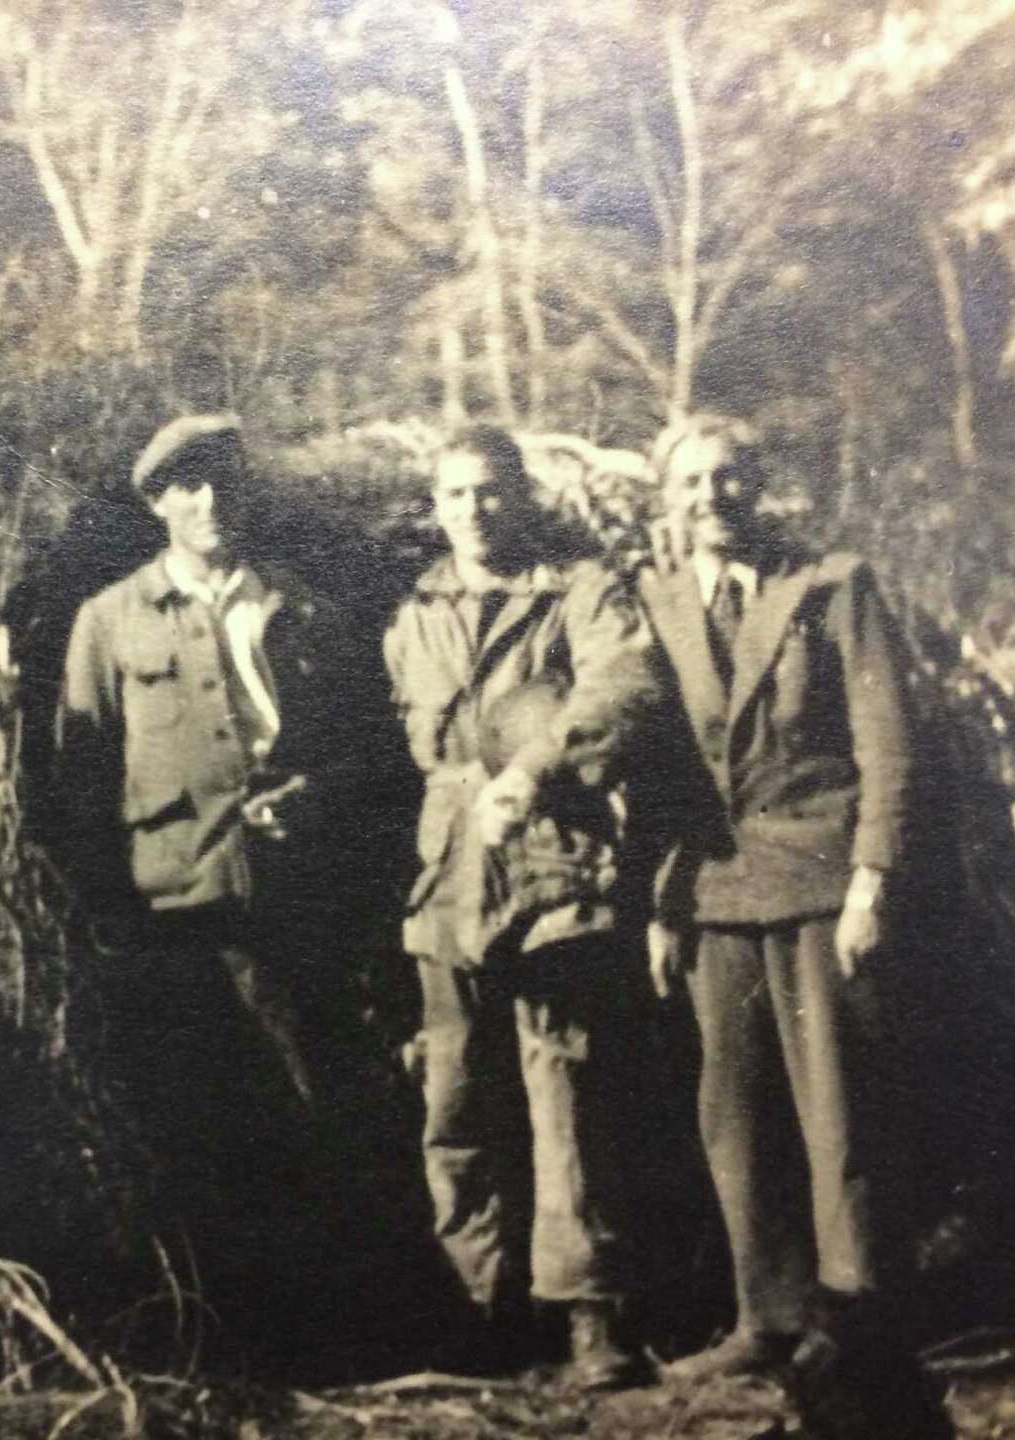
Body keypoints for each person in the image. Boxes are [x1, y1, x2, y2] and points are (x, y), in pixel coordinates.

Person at [638, 414, 926, 1403]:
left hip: (817, 873)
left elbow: (886, 745)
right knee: (734, 1110)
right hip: (716, 884)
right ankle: (765, 1315)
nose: (710, 497)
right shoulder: (659, 601)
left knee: (834, 1108)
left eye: (727, 478)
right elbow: (661, 770)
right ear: (665, 499)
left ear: (755, 487)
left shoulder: (830, 588)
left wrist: (871, 881)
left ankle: (855, 1314)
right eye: (690, 483)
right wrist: (663, 904)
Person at [54, 413, 351, 1363]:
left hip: (291, 896)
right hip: (173, 910)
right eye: (188, 486)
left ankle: (327, 1328)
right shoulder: (109, 621)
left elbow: (359, 749)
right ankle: (224, 1334)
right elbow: (80, 777)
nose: (210, 501)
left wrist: (318, 795)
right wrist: (105, 914)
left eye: (223, 480)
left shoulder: (294, 607)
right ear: (158, 504)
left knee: (309, 1102)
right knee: (199, 1116)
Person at [383, 425, 658, 1388]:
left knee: (564, 1086)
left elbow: (624, 683)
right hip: (450, 870)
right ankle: (485, 1311)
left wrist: (537, 769)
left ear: (520, 494)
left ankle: (587, 1313)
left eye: (490, 492)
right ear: (436, 503)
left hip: (553, 859)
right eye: (455, 495)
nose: (473, 511)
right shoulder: (415, 611)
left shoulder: (577, 589)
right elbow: (411, 742)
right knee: (453, 1092)